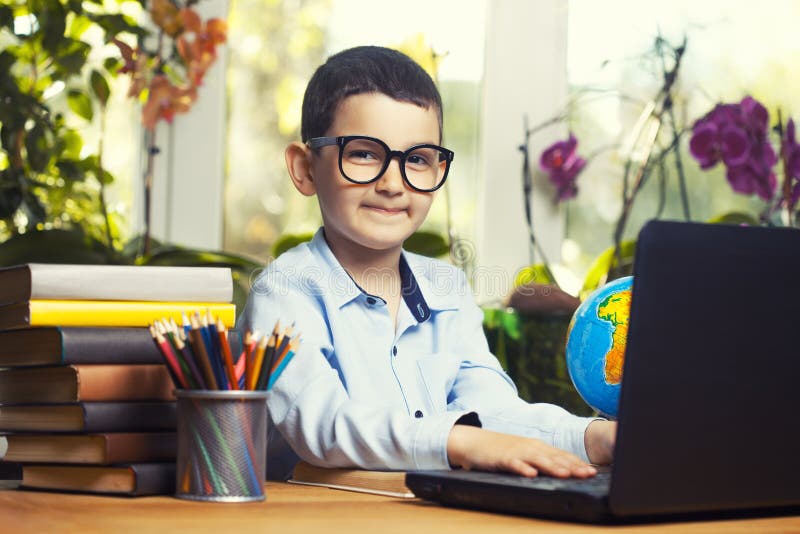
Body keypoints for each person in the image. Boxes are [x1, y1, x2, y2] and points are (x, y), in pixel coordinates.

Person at [237, 45, 616, 481]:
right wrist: (457, 441)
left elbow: (492, 409)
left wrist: (593, 438)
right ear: (305, 169)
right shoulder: (284, 293)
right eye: (363, 153)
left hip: (423, 514)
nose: (393, 184)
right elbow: (325, 427)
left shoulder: (447, 287)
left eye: (417, 159)